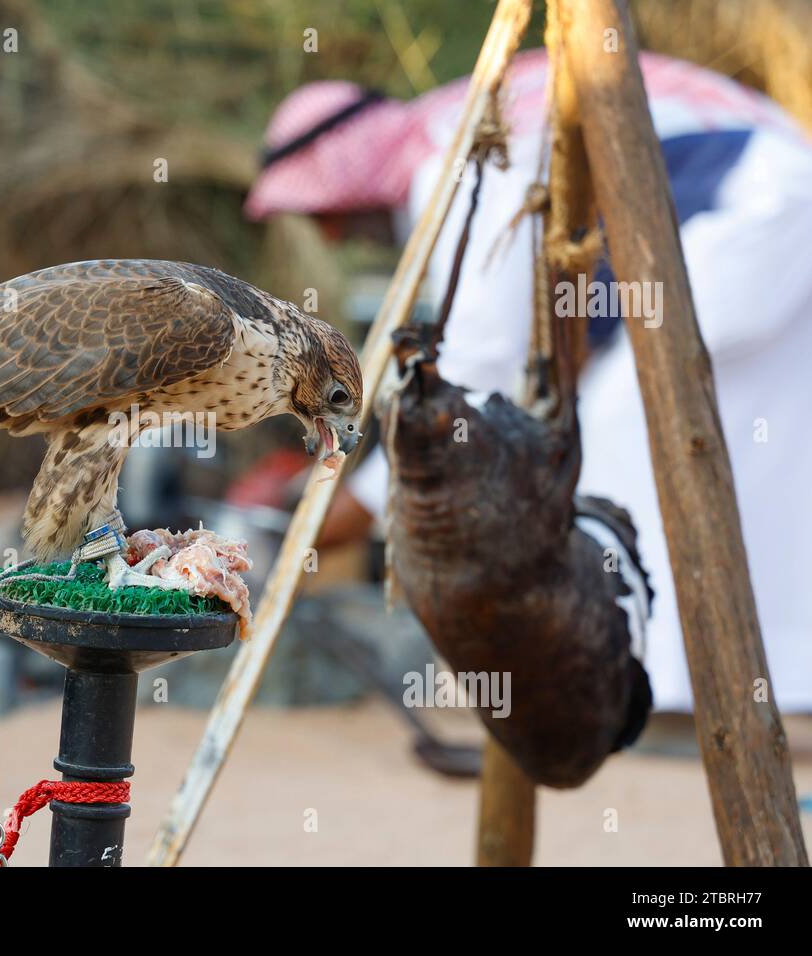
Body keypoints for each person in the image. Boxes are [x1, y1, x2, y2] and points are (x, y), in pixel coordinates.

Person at [246, 49, 812, 713]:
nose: (332, 234)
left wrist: (354, 509)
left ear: (349, 185)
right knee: (769, 461)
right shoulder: (456, 127)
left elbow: (480, 364)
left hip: (759, 208)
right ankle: (767, 684)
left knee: (624, 415)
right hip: (779, 197)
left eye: (323, 211)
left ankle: (656, 694)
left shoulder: (458, 162)